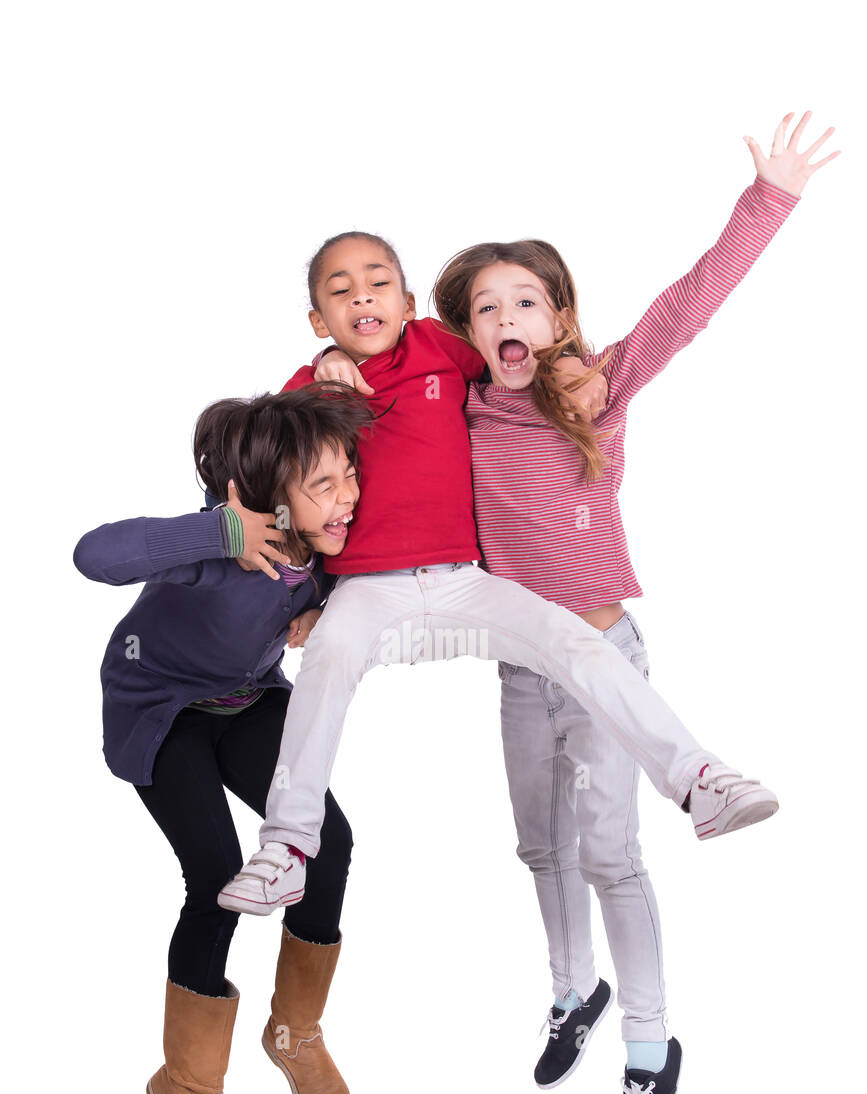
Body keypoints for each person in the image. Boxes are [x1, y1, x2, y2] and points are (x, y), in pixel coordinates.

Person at [429, 109, 838, 1094]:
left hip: (607, 660)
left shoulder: (595, 389)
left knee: (611, 851)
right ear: (468, 334)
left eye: (528, 300)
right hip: (522, 671)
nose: (508, 316)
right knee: (537, 845)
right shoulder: (460, 414)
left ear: (559, 318)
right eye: (487, 307)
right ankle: (574, 991)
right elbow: (379, 406)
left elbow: (687, 306)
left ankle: (650, 1047)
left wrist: (771, 197)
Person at [220, 195, 782, 929]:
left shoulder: (440, 351)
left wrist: (576, 367)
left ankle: (697, 778)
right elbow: (272, 473)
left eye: (378, 280)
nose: (362, 295)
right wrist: (297, 579)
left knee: (573, 642)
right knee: (325, 664)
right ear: (319, 321)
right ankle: (287, 849)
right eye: (340, 289)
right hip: (368, 591)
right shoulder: (313, 389)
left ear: (410, 301)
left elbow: (517, 355)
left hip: (463, 582)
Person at [73, 384, 371, 1094]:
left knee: (326, 842)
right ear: (271, 502)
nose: (346, 496)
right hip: (161, 707)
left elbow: (381, 579)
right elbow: (93, 555)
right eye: (324, 486)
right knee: (217, 878)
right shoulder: (224, 546)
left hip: (246, 700)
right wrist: (215, 529)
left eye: (349, 474)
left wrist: (330, 606)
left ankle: (294, 1032)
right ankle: (188, 1087)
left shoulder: (338, 539)